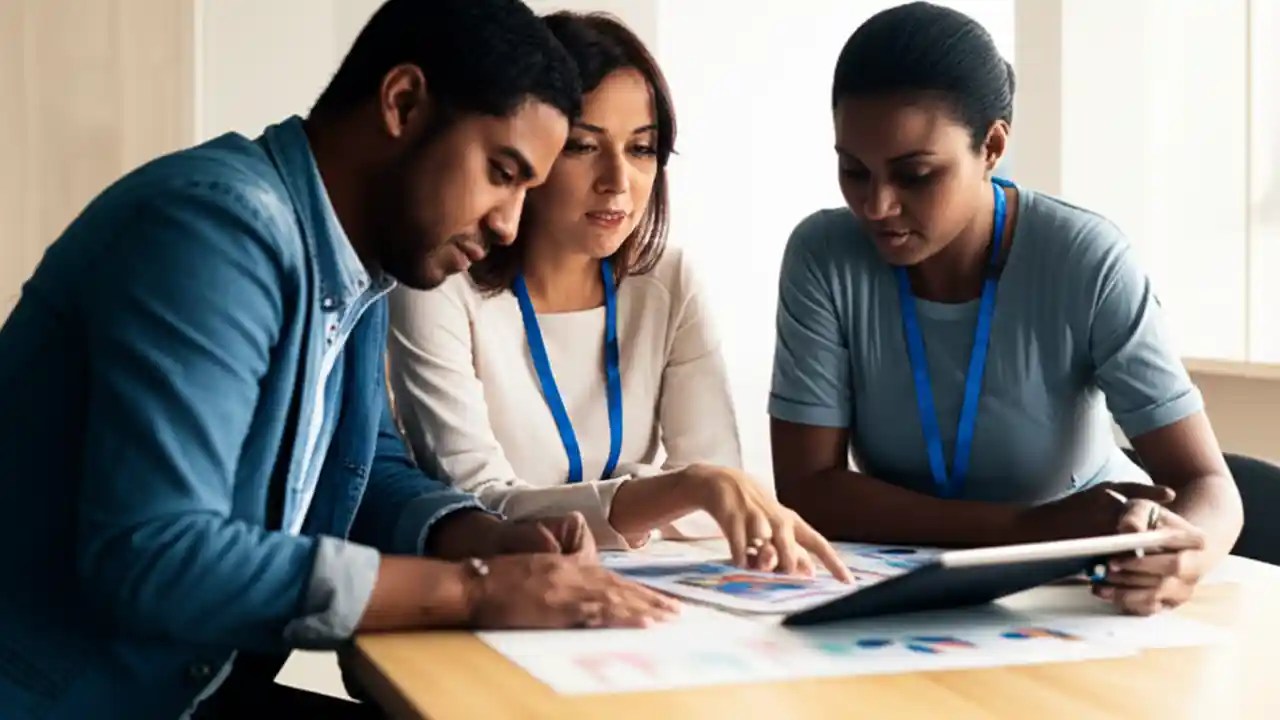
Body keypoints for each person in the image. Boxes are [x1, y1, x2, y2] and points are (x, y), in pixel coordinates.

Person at [0, 2, 682, 718]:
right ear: (404, 103)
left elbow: (362, 472)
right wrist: (476, 590)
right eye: (500, 172)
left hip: (189, 687)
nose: (508, 222)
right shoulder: (214, 230)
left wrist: (491, 540)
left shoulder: (360, 260)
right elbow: (154, 553)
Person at [768, 2, 1242, 616]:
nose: (877, 205)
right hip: (910, 590)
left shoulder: (1084, 259)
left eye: (914, 175)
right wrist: (1031, 527)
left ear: (992, 146)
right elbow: (810, 492)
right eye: (853, 170)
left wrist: (1184, 555)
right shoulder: (824, 256)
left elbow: (1210, 485)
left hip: (1078, 587)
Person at [387, 11, 849, 580]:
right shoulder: (441, 286)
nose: (618, 181)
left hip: (628, 597)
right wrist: (668, 490)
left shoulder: (669, 281)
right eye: (584, 147)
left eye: (642, 148)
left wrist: (659, 493)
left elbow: (714, 502)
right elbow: (475, 505)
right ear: (532, 145)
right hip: (495, 596)